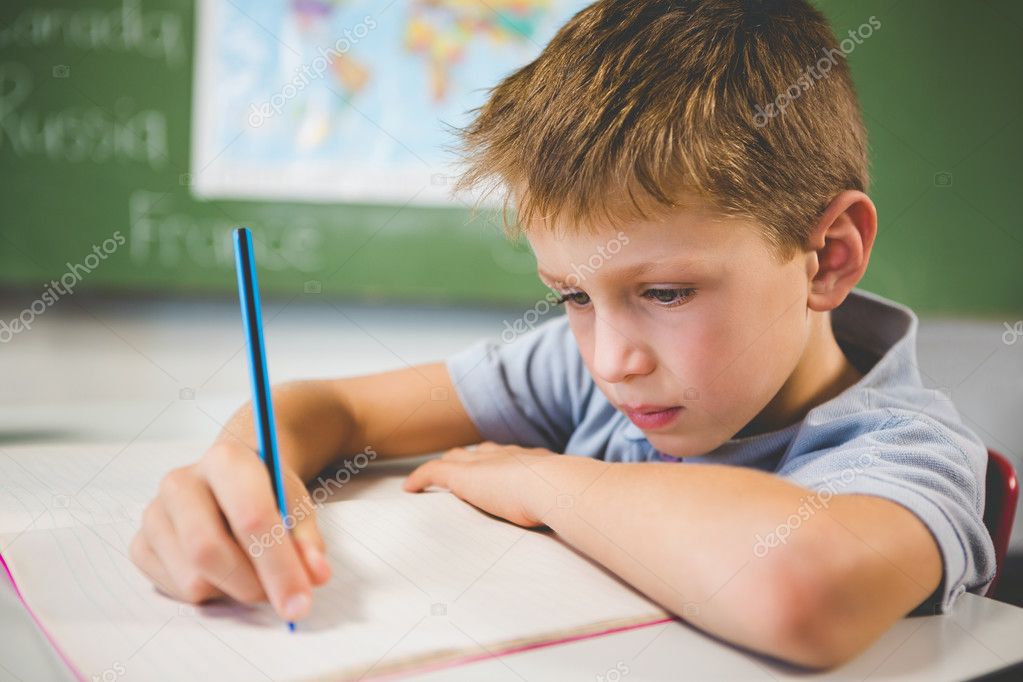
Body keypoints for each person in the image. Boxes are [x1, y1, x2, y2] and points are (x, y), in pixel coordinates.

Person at [131, 0, 995, 668]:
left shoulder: (907, 452)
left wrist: (540, 479)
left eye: (663, 291)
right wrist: (243, 474)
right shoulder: (601, 373)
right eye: (570, 297)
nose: (611, 362)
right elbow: (338, 412)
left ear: (828, 257)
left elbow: (796, 589)